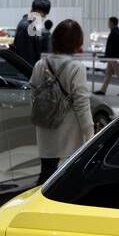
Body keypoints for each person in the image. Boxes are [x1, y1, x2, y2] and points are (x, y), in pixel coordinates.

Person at [30, 19, 94, 185]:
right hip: (68, 131)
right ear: (76, 42)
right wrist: (90, 133)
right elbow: (82, 104)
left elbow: (33, 94)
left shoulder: (40, 64)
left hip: (45, 127)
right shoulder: (76, 67)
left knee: (46, 173)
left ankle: (38, 207)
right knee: (66, 178)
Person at [13, 0, 51, 66]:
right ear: (38, 11)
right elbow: (28, 57)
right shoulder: (27, 27)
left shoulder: (32, 25)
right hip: (26, 72)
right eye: (44, 15)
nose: (44, 18)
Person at [96, 16, 119, 95]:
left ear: (111, 23)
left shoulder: (115, 32)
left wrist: (106, 57)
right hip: (113, 57)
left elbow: (112, 47)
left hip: (114, 57)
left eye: (109, 22)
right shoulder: (116, 31)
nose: (108, 24)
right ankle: (103, 90)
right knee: (108, 73)